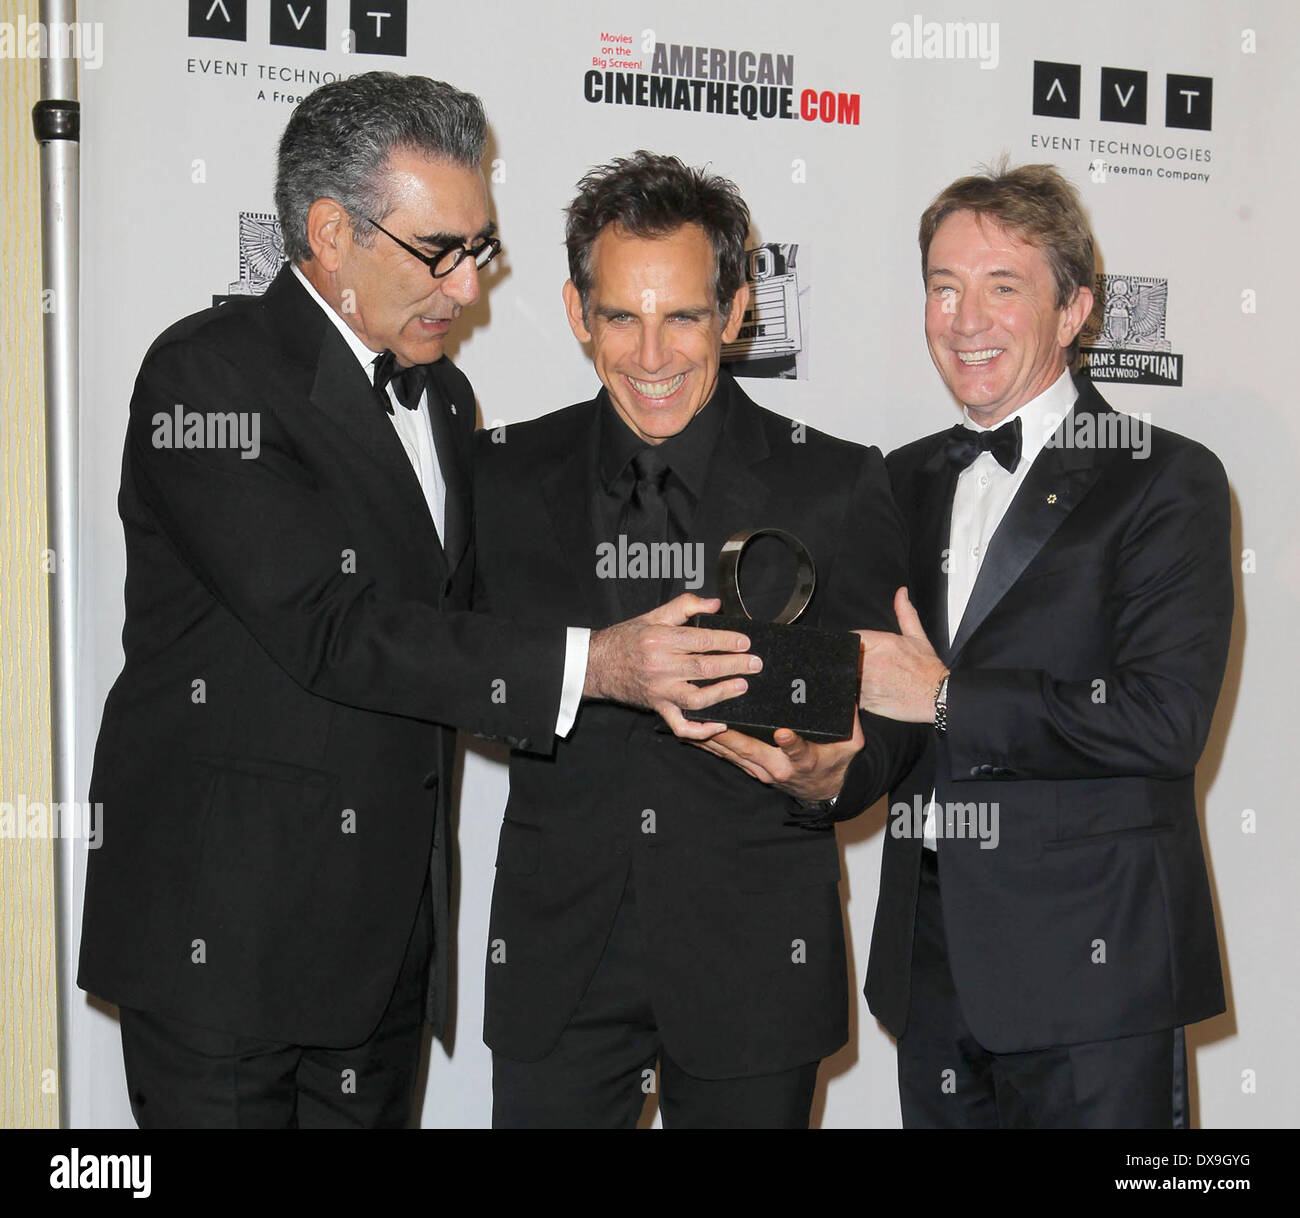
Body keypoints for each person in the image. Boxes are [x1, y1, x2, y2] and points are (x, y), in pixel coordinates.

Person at [77, 75, 757, 1129]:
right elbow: (331, 628)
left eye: (479, 249)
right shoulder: (206, 378)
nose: (469, 288)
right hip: (225, 946)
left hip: (383, 956)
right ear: (328, 232)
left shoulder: (439, 396)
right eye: (438, 251)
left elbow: (465, 633)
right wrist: (596, 663)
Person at [472, 151, 922, 1128]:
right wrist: (590, 671)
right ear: (574, 311)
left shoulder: (835, 484)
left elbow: (898, 709)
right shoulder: (499, 476)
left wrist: (836, 775)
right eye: (620, 317)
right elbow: (455, 672)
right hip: (559, 960)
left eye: (681, 315)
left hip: (755, 959)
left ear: (734, 310)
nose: (650, 354)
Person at [856, 161, 1232, 1128]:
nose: (963, 317)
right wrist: (825, 766)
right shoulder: (896, 484)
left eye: (1002, 286)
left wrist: (947, 697)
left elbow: (1165, 722)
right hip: (932, 974)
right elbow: (887, 713)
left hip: (1096, 984)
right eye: (944, 286)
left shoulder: (1167, 482)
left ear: (1074, 312)